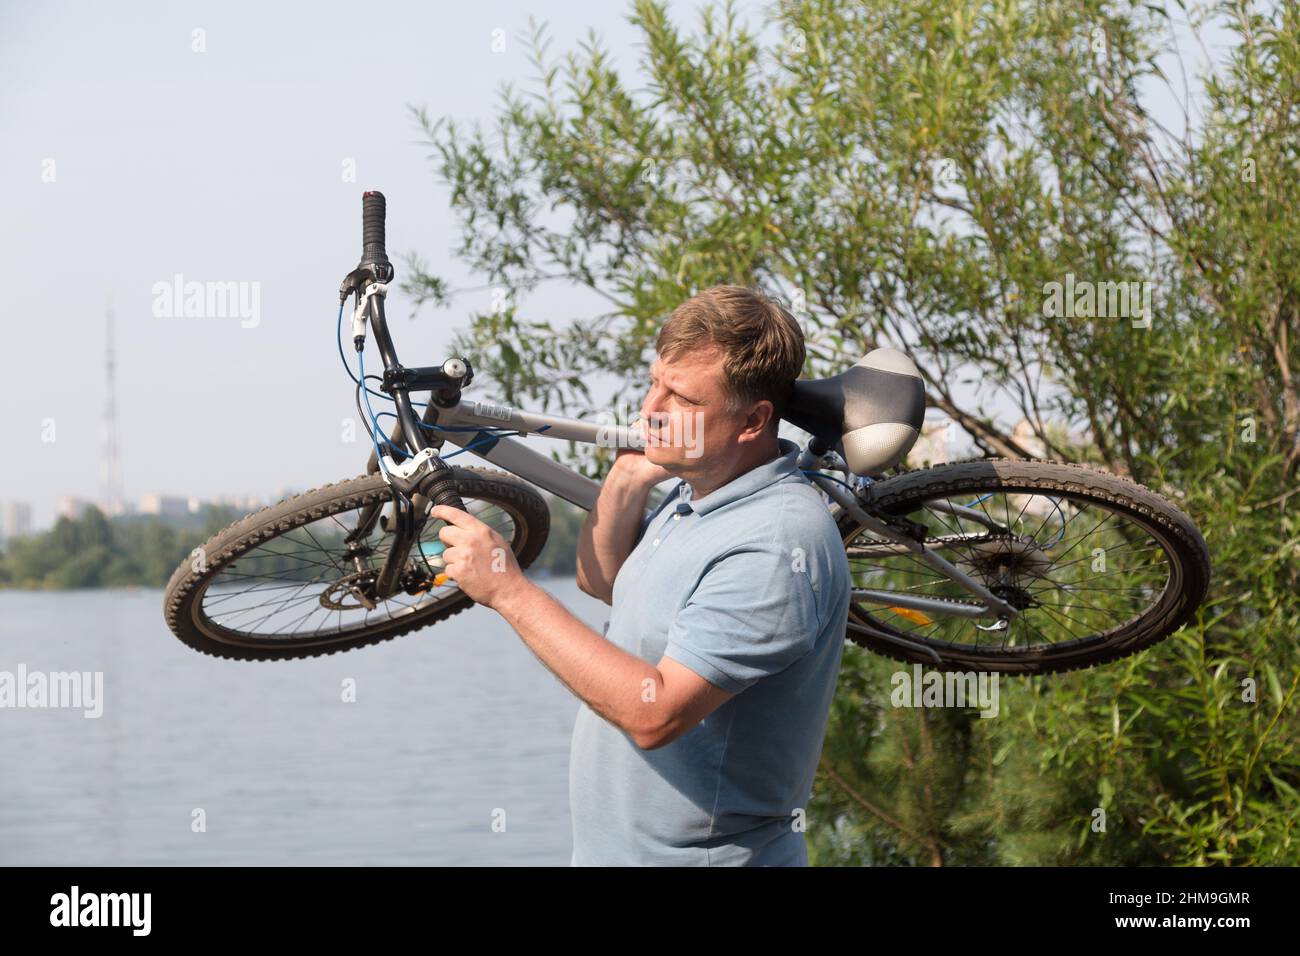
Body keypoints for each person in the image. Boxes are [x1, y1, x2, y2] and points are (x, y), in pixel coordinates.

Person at [431, 284, 851, 865]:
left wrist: (510, 591)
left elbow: (655, 713)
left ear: (753, 420)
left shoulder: (773, 546)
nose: (650, 409)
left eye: (680, 397)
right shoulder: (700, 487)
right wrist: (625, 484)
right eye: (654, 382)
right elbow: (607, 585)